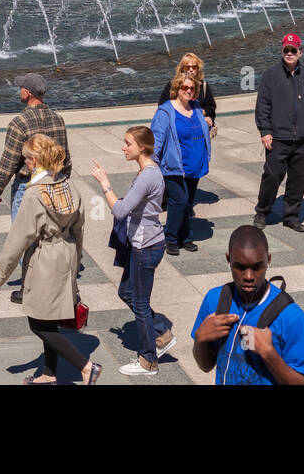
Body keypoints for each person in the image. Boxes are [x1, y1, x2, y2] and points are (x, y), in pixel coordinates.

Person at [0, 134, 98, 384]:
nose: (24, 163)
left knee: (38, 323)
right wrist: (76, 257)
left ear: (35, 160)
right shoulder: (69, 186)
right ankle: (49, 375)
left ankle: (86, 366)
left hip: (44, 259)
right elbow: (80, 229)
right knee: (50, 320)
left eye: (26, 159)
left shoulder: (34, 194)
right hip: (67, 252)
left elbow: (18, 240)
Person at [91, 126, 175, 375]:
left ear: (142, 147)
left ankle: (148, 360)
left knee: (139, 304)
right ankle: (161, 331)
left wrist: (105, 184)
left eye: (128, 143)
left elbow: (120, 210)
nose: (123, 147)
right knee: (126, 292)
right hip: (144, 245)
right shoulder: (147, 171)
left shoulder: (149, 175)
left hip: (146, 247)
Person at [190, 225, 304, 385]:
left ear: (268, 260)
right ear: (228, 260)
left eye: (257, 267)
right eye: (240, 267)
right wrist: (200, 339)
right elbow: (205, 365)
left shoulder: (291, 317)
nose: (248, 276)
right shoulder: (214, 299)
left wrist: (268, 353)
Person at [0, 72, 71, 300]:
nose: (19, 92)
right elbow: (66, 156)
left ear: (27, 93)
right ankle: (50, 283)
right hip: (55, 182)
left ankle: (29, 288)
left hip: (28, 186)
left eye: (21, 89)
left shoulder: (19, 122)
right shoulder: (58, 119)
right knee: (49, 235)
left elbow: (9, 161)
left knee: (26, 237)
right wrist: (64, 180)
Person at [253, 33, 304, 232]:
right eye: (286, 49)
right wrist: (265, 131)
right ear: (282, 51)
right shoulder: (270, 75)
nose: (289, 53)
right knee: (272, 177)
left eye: (293, 50)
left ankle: (291, 216)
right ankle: (262, 212)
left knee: (297, 179)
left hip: (302, 138)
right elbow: (262, 106)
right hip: (278, 138)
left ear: (300, 52)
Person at [151, 71, 212, 254]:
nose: (188, 91)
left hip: (194, 166)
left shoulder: (196, 107)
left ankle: (185, 237)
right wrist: (151, 163)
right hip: (174, 166)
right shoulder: (165, 111)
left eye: (192, 88)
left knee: (187, 203)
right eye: (184, 87)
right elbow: (156, 139)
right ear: (177, 88)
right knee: (179, 201)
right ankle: (170, 238)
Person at [155, 52, 217, 132]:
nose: (191, 70)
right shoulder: (173, 85)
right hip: (178, 129)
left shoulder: (203, 86)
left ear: (198, 69)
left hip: (199, 129)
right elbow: (162, 105)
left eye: (194, 67)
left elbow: (211, 106)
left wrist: (203, 113)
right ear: (182, 69)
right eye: (188, 67)